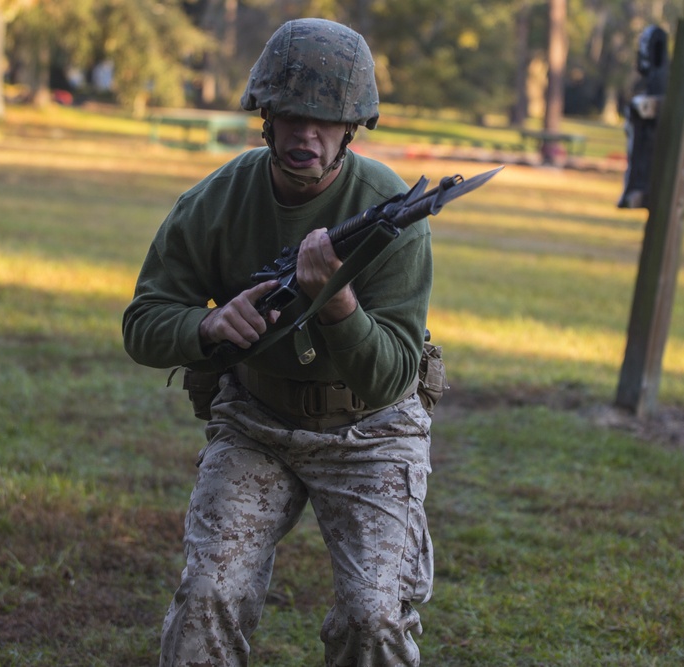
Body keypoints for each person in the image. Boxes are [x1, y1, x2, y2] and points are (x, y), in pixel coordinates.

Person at [122, 18, 435, 667]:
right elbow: (144, 322)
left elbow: (393, 376)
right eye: (290, 115)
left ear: (353, 126)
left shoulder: (392, 213)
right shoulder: (216, 201)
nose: (305, 135)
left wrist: (338, 302)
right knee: (209, 594)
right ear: (264, 116)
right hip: (256, 420)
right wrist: (205, 327)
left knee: (373, 615)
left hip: (369, 431)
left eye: (325, 119)